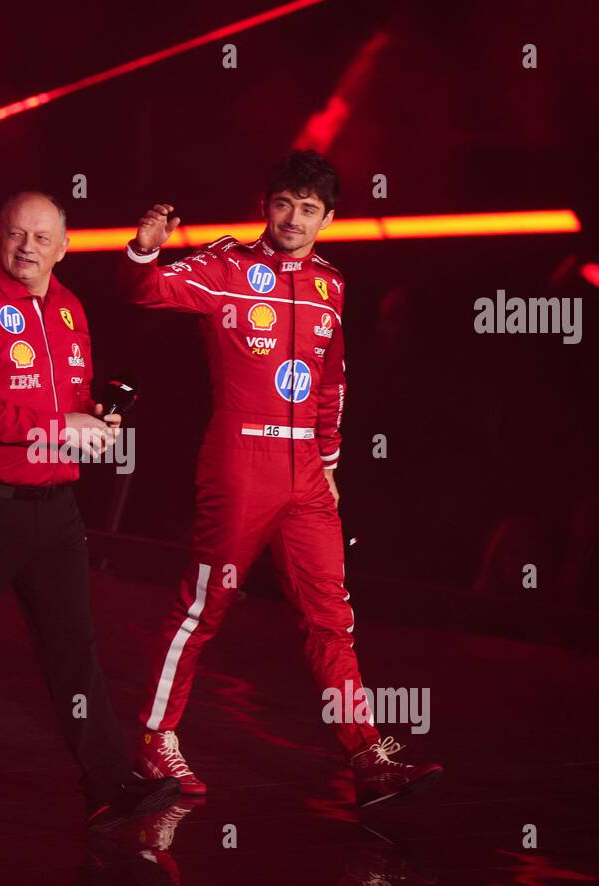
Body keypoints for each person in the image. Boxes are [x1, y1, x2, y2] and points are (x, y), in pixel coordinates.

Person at [119, 151, 442, 808]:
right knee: (203, 606)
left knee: (332, 617)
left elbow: (332, 381)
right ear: (266, 205)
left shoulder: (331, 283)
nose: (294, 219)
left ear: (328, 217)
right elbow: (145, 292)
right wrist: (141, 252)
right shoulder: (226, 266)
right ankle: (156, 739)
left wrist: (329, 461)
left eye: (309, 209)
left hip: (308, 477)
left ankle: (367, 755)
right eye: (283, 204)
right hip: (240, 460)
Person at [0, 191, 179, 829]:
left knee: (75, 649)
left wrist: (95, 419)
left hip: (55, 510)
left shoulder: (71, 309)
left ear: (63, 246)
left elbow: (68, 408)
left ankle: (107, 784)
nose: (28, 248)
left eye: (42, 238)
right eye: (16, 234)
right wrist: (58, 423)